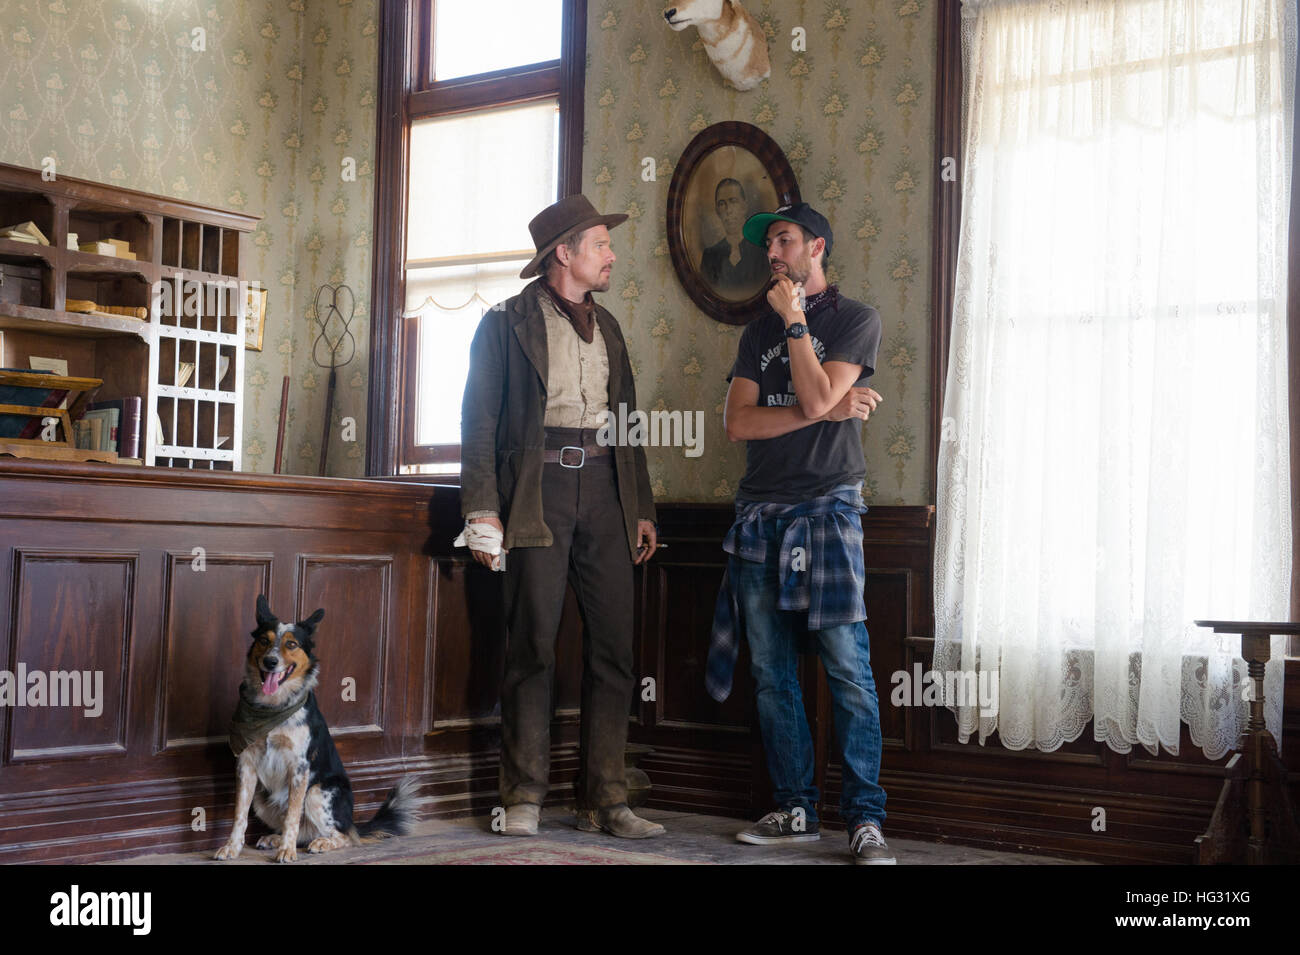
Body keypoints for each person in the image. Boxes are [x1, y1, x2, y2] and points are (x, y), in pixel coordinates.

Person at [458, 194, 663, 839]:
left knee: (614, 650)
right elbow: (479, 422)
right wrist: (482, 513)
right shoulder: (504, 324)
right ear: (563, 254)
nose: (610, 255)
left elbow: (626, 424)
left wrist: (641, 508)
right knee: (533, 644)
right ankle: (521, 796)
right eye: (600, 244)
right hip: (536, 488)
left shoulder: (613, 328)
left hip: (606, 489)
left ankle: (607, 799)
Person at [710, 202, 894, 864]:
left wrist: (795, 321)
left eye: (784, 239)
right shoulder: (751, 332)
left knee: (848, 667)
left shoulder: (855, 320)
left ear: (816, 245)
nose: (771, 251)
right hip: (760, 512)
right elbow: (738, 424)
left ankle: (866, 819)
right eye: (767, 242)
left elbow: (812, 400)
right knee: (770, 669)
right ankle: (795, 809)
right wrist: (822, 408)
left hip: (829, 507)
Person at [699, 178, 770, 297]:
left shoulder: (762, 251)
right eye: (722, 204)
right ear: (717, 211)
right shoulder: (709, 257)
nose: (728, 210)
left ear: (744, 206)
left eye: (733, 201)